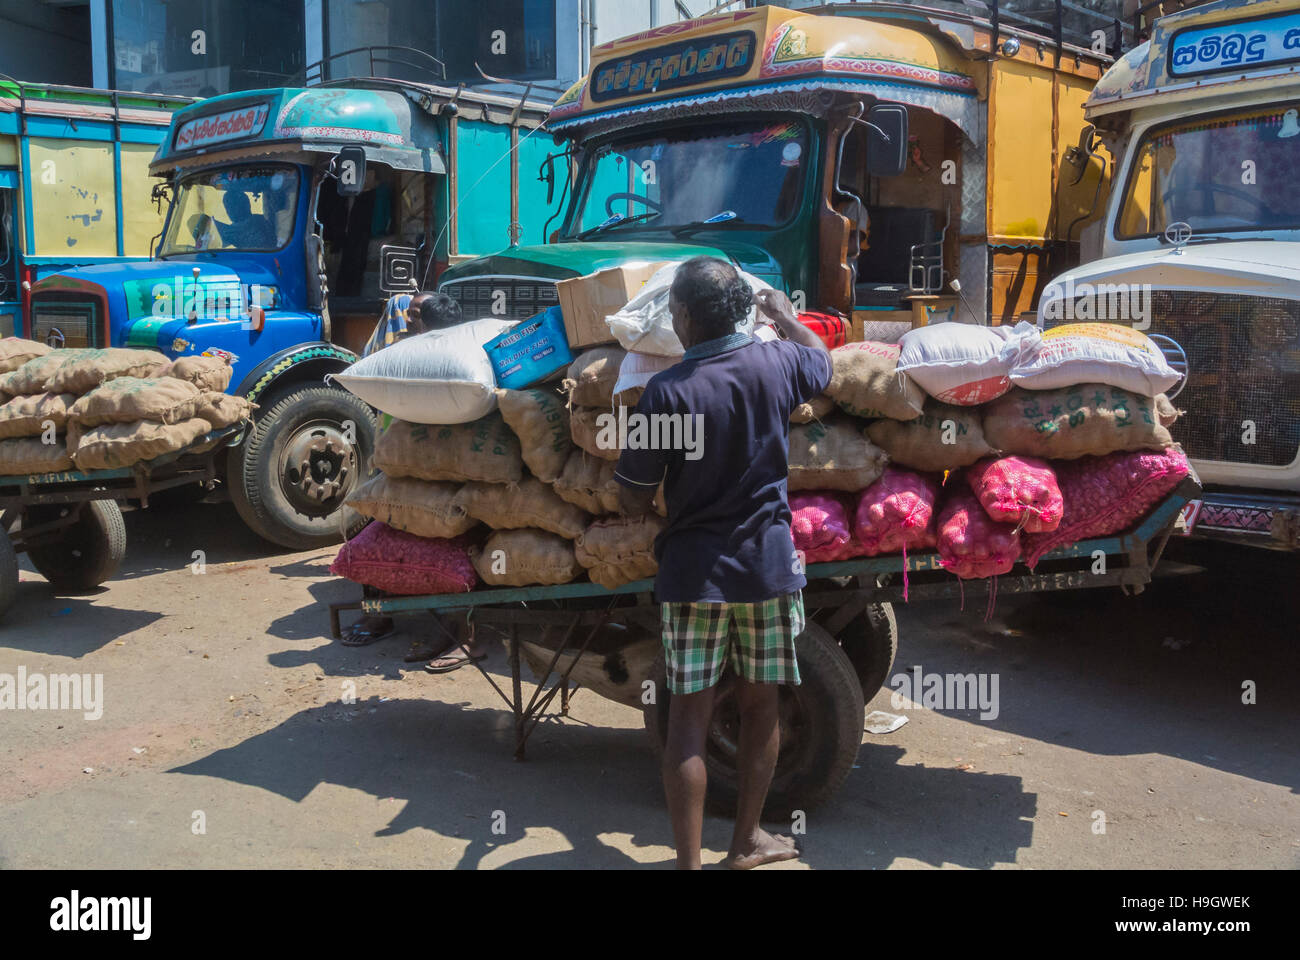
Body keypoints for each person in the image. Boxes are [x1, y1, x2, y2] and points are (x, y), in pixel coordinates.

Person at [614, 257, 832, 870]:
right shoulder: (777, 363)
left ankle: (689, 866)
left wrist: (657, 510)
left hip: (692, 575)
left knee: (687, 719)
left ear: (683, 316)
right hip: (766, 570)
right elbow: (825, 361)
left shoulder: (668, 392)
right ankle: (744, 845)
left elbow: (632, 491)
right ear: (741, 309)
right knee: (761, 708)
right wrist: (786, 318)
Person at [345, 293, 487, 672]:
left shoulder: (453, 356)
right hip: (396, 465)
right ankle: (380, 614)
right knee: (368, 531)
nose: (406, 321)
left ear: (431, 323)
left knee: (450, 544)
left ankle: (463, 636)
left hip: (442, 469)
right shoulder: (406, 353)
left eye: (414, 315)